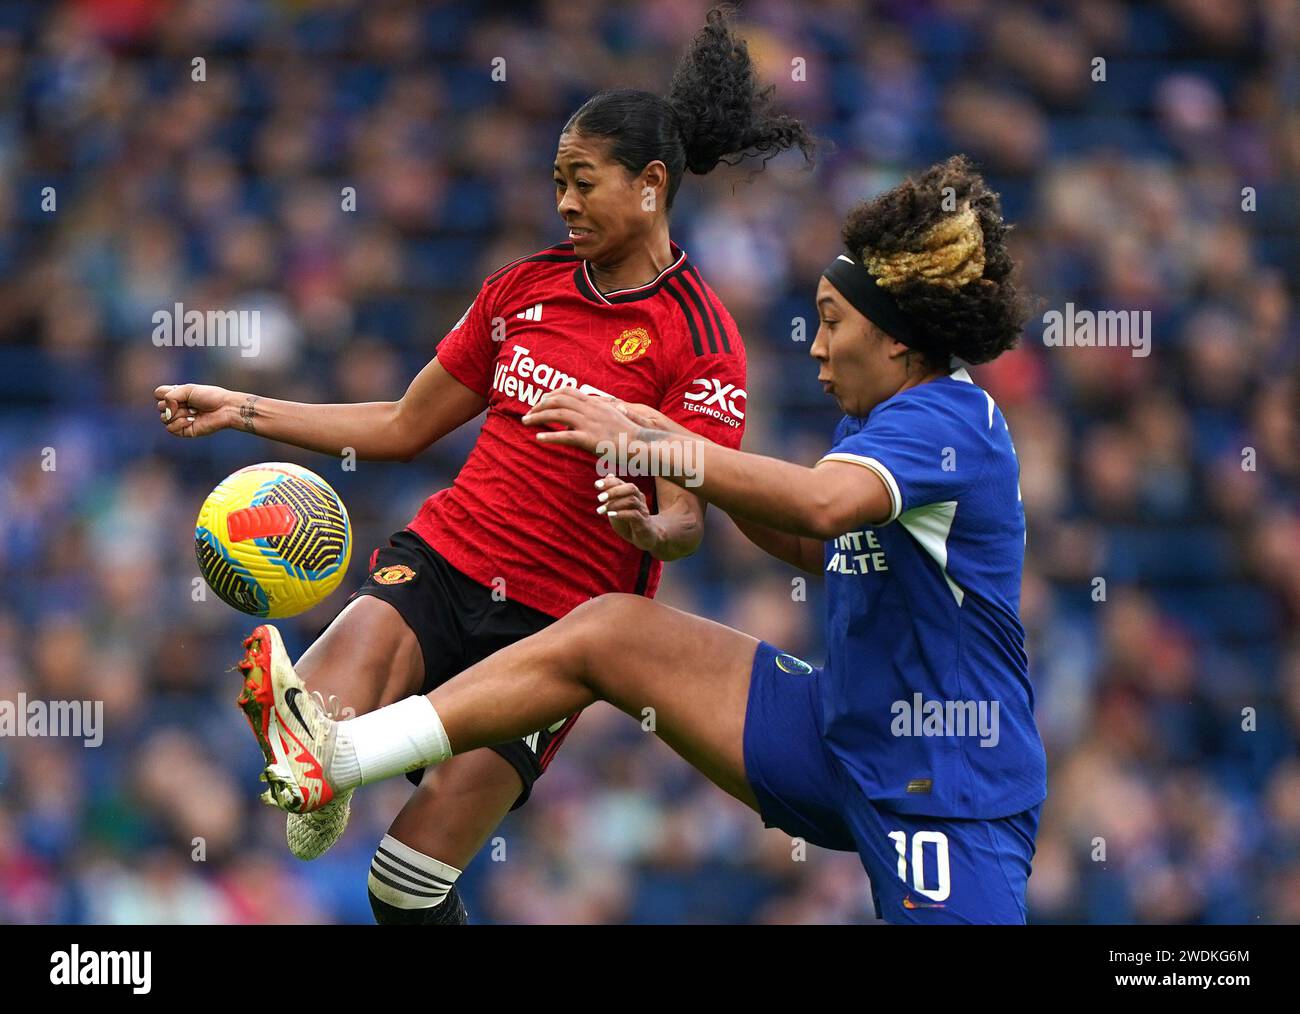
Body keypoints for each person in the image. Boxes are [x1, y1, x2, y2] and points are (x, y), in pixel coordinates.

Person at [231, 154, 1050, 924]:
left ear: (897, 339)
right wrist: (676, 446)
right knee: (608, 630)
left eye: (833, 321)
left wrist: (654, 443)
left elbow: (819, 507)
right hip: (835, 731)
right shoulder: (878, 424)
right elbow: (813, 549)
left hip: (947, 789)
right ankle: (340, 755)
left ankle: (341, 757)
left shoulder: (949, 419)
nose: (816, 343)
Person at [155, 7, 813, 924]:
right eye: (557, 183)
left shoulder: (698, 337)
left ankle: (332, 769)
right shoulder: (523, 287)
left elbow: (686, 522)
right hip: (442, 559)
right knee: (309, 723)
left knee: (403, 889)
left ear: (651, 184)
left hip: (555, 631)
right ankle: (323, 768)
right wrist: (244, 408)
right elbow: (402, 423)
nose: (565, 203)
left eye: (583, 182)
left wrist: (644, 524)